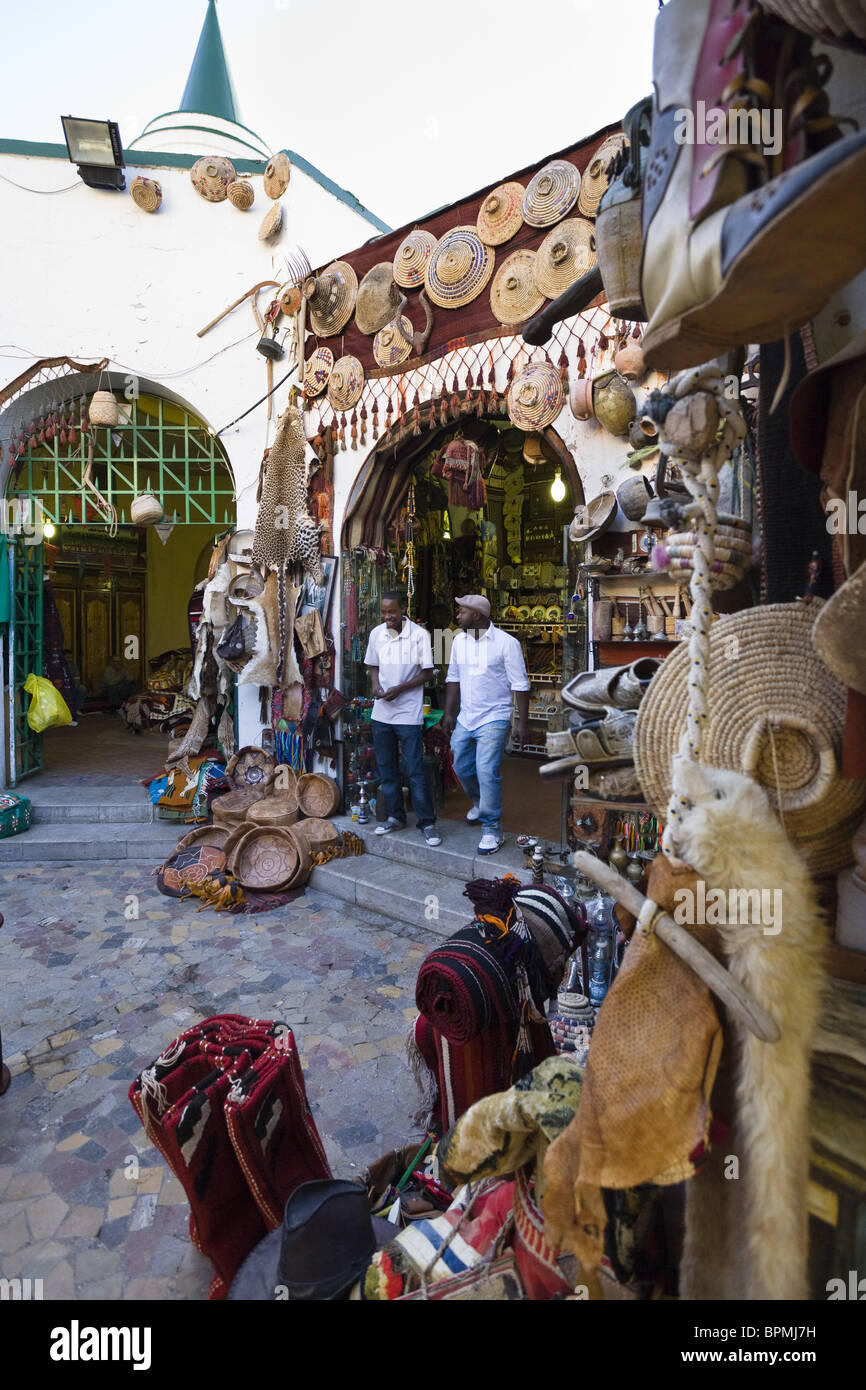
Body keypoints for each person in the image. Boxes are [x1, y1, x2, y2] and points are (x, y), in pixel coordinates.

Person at [441, 594, 530, 855]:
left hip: (495, 716)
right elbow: (453, 678)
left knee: (486, 770)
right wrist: (448, 713)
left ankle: (491, 827)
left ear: (477, 615)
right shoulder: (458, 641)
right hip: (467, 716)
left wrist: (522, 723)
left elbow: (520, 684)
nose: (458, 616)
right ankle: (480, 802)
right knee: (460, 764)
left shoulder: (506, 643)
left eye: (462, 612)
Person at [364, 591, 442, 847]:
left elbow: (428, 673)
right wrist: (376, 686)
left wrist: (400, 689)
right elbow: (373, 666)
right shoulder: (377, 633)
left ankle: (427, 823)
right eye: (384, 612)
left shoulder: (418, 634)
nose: (388, 617)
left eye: (392, 612)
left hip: (408, 713)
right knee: (387, 769)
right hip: (382, 712)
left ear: (402, 610)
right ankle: (395, 817)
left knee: (415, 770)